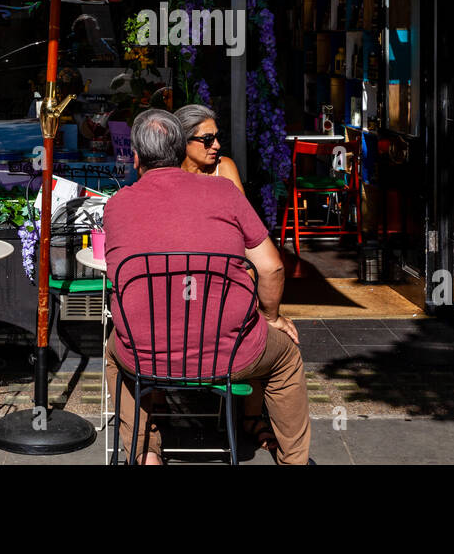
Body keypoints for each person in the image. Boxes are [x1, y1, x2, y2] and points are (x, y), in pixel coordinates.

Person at [103, 108, 312, 464]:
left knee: (114, 353)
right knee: (287, 359)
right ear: (180, 149)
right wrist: (272, 317)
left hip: (145, 355)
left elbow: (119, 278)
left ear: (136, 158)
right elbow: (272, 267)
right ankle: (293, 461)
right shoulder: (224, 192)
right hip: (230, 353)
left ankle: (145, 455)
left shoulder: (117, 205)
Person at [173, 104, 245, 195]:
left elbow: (240, 208)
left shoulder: (223, 167)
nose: (217, 145)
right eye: (208, 139)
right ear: (183, 140)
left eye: (217, 137)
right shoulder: (168, 174)